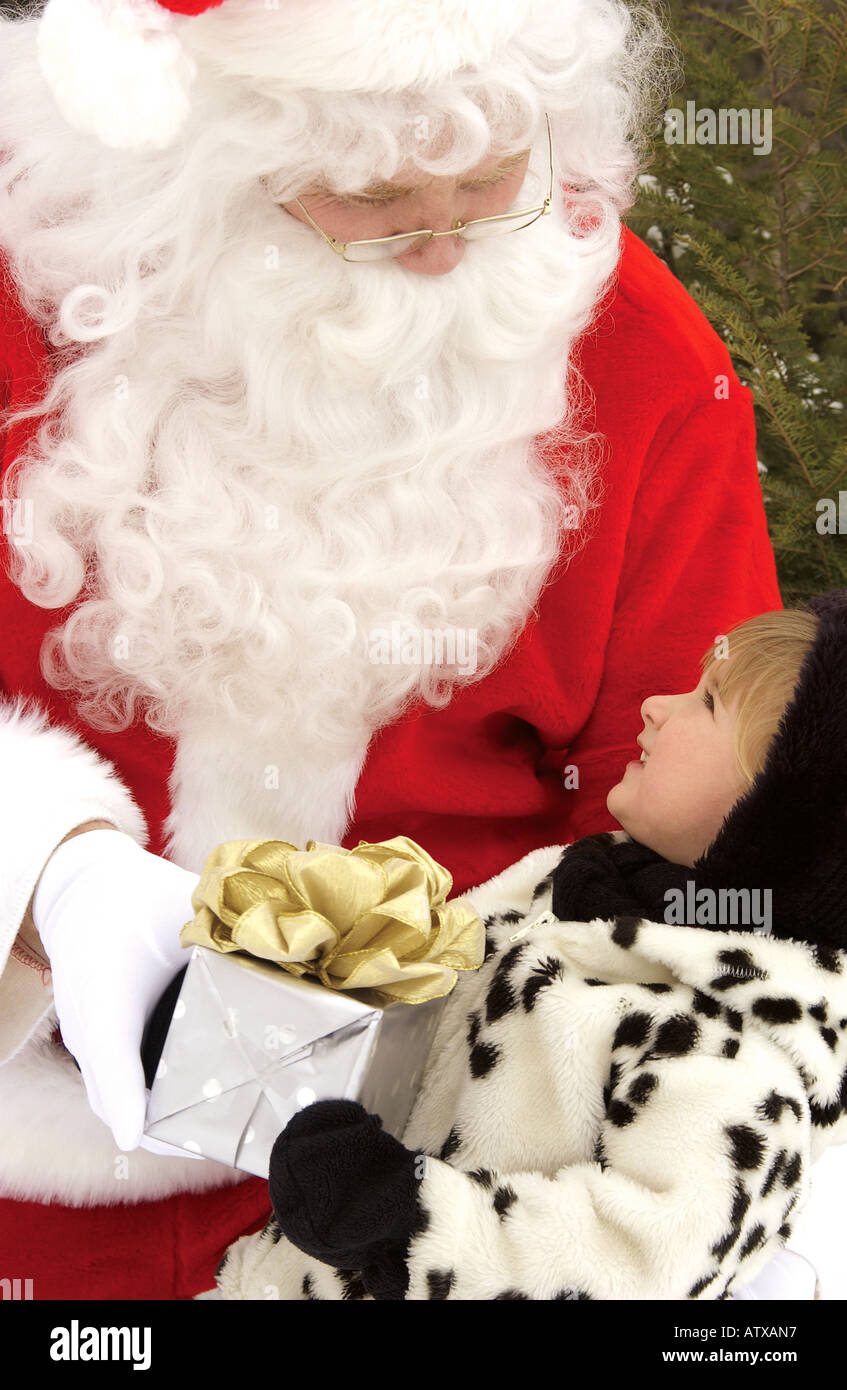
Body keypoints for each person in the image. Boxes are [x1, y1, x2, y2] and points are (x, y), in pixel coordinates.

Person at [0, 0, 802, 1300]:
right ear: (196, 166)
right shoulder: (25, 279)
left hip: (430, 1184)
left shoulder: (648, 368)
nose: (441, 248)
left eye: (494, 179)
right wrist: (47, 872)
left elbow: (717, 832)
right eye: (369, 194)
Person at [211, 593, 847, 1299]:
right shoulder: (582, 881)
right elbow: (428, 982)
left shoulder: (734, 1046)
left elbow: (638, 1264)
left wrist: (402, 1223)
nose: (656, 706)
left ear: (784, 815)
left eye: (705, 702)